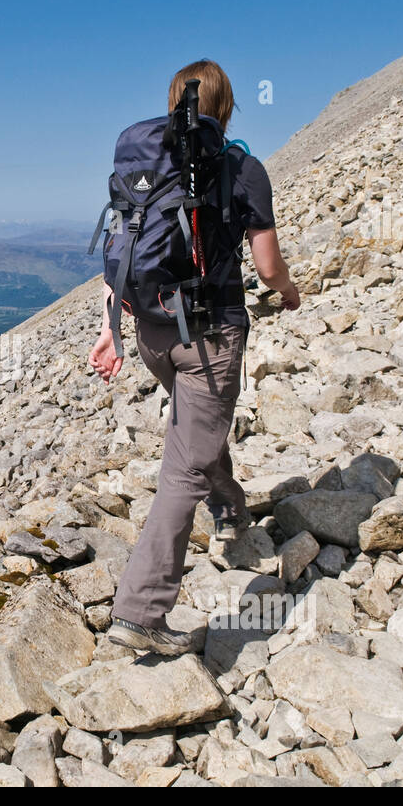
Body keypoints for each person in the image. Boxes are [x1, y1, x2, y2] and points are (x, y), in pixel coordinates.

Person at [87, 59, 301, 657]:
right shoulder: (241, 167)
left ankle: (229, 506)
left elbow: (124, 247)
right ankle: (140, 612)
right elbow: (266, 266)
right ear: (226, 105)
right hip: (210, 334)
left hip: (153, 330)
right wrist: (288, 293)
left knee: (197, 429)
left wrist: (112, 328)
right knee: (183, 468)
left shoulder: (147, 166)